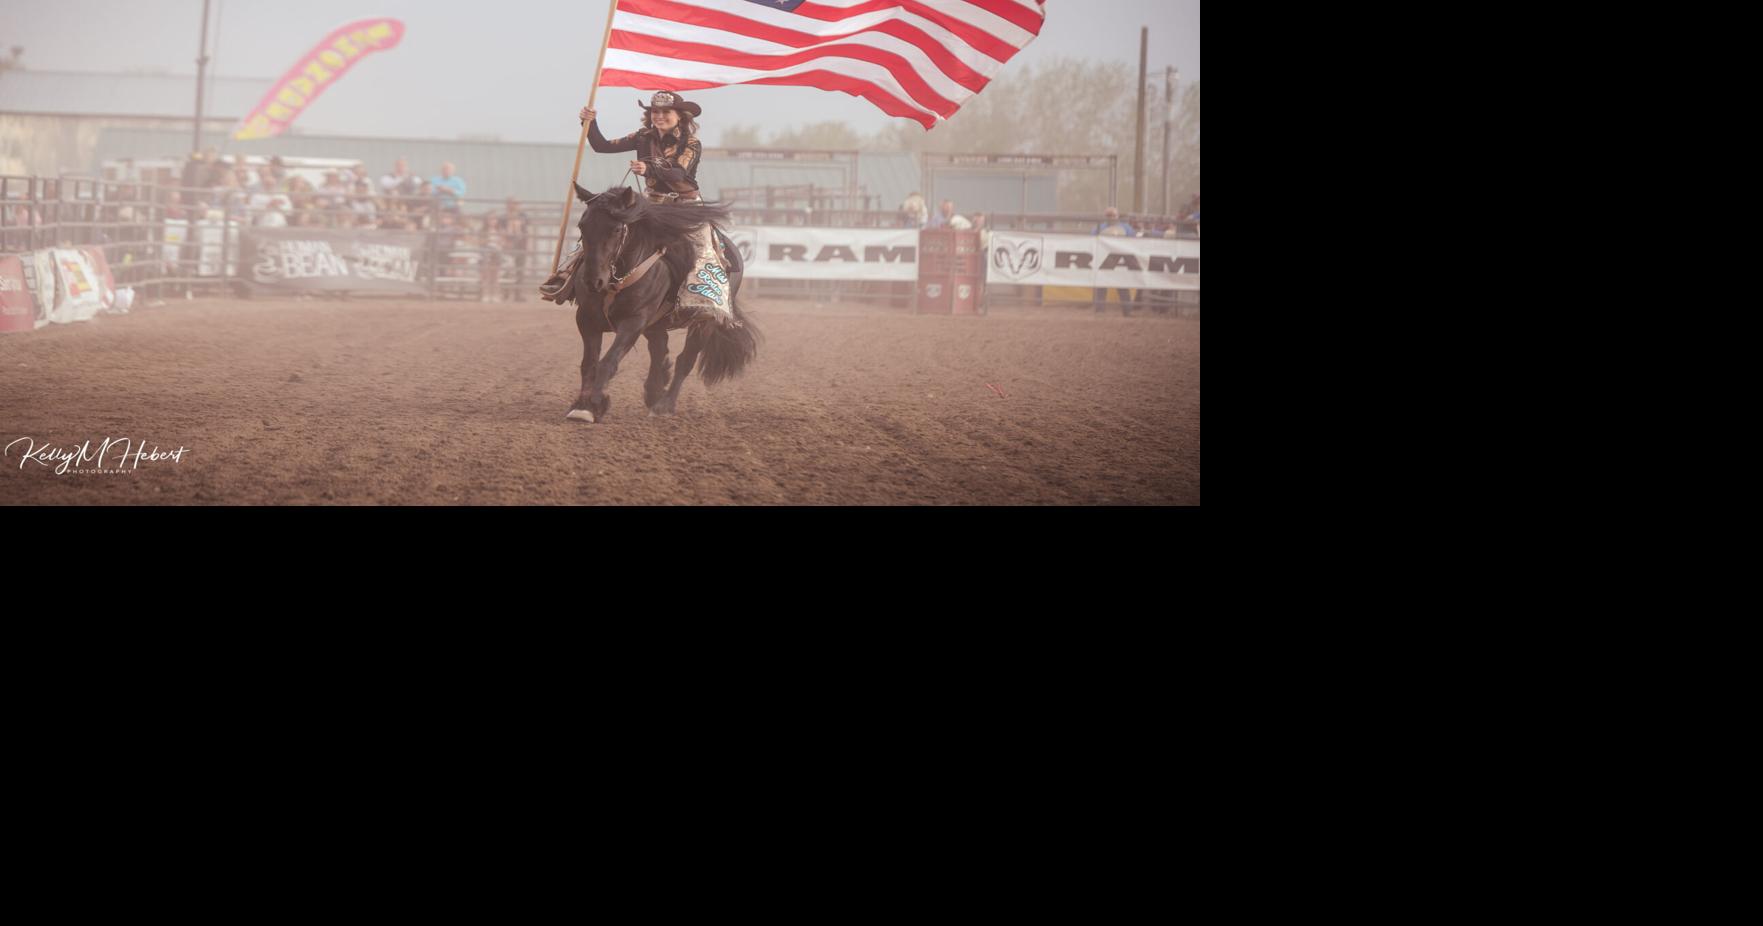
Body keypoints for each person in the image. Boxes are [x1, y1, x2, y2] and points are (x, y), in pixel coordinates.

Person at [558, 90, 743, 320]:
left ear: (679, 116)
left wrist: (649, 169)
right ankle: (567, 276)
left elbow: (679, 172)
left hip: (685, 205)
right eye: (655, 111)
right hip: (652, 201)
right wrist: (590, 123)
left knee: (701, 245)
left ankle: (704, 299)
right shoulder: (643, 137)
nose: (659, 116)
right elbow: (602, 146)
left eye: (666, 112)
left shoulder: (691, 143)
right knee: (605, 229)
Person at [1092, 206, 1136, 316]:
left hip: (1121, 260)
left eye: (1113, 215)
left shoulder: (1126, 228)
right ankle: (1100, 310)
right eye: (1108, 215)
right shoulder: (1099, 227)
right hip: (1104, 259)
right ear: (1105, 216)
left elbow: (1133, 240)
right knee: (1101, 285)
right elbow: (1092, 240)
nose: (1111, 217)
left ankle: (1127, 311)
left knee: (1123, 286)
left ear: (1118, 216)